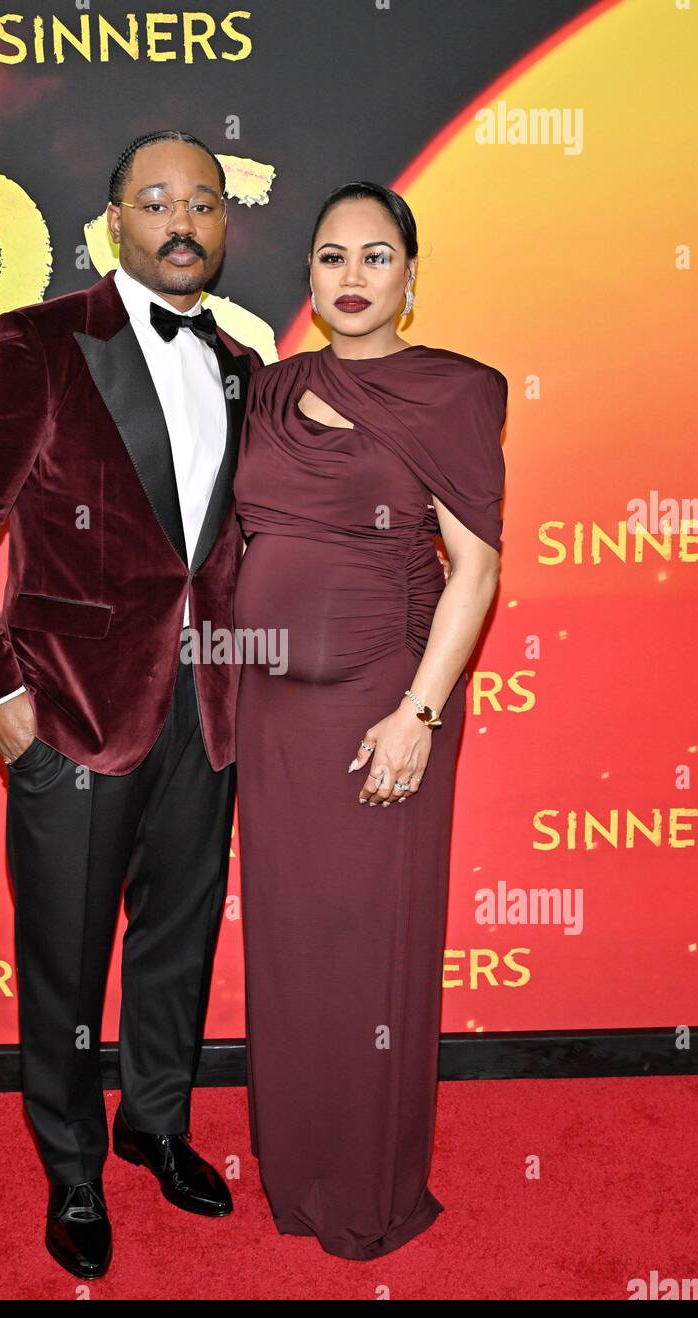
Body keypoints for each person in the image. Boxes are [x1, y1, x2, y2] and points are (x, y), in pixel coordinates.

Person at [0, 130, 264, 1280]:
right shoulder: (38, 341)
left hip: (205, 710)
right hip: (68, 711)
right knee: (64, 958)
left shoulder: (237, 365)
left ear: (224, 224)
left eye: (202, 203)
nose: (182, 220)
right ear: (113, 219)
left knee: (176, 941)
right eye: (155, 200)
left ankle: (154, 1123)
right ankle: (71, 1166)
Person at [232, 181, 507, 1260]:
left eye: (376, 257)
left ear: (411, 273)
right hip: (271, 717)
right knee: (295, 949)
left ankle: (369, 1190)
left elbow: (475, 567)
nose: (352, 279)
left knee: (371, 948)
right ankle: (297, 1174)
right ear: (308, 272)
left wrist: (418, 713)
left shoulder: (454, 392)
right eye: (331, 257)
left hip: (381, 707)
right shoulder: (268, 390)